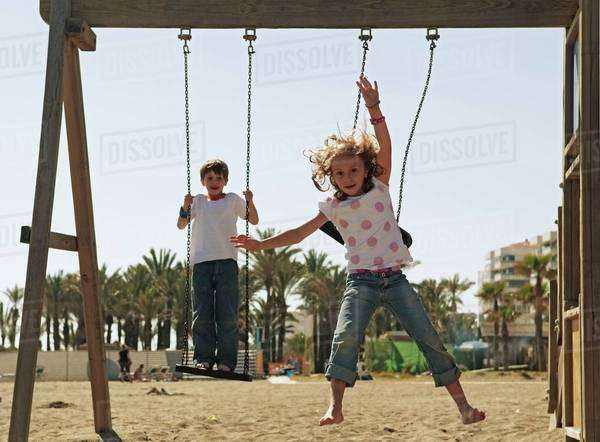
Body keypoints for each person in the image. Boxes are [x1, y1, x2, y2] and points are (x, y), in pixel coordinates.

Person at [231, 76, 486, 426]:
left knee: (429, 338)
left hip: (395, 280)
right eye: (339, 173)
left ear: (367, 169)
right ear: (331, 177)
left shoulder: (379, 186)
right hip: (360, 283)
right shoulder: (331, 207)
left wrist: (374, 108)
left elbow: (385, 145)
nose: (348, 176)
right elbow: (298, 234)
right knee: (345, 337)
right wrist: (260, 244)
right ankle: (335, 407)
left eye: (354, 170)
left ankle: (464, 408)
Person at [177, 159, 259, 372]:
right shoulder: (199, 202)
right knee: (202, 312)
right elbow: (181, 224)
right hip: (202, 263)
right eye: (210, 178)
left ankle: (226, 362)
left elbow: (254, 220)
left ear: (225, 181)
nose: (214, 181)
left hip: (227, 262)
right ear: (203, 181)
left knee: (228, 314)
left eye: (219, 178)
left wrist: (250, 201)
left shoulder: (232, 200)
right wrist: (185, 206)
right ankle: (203, 358)